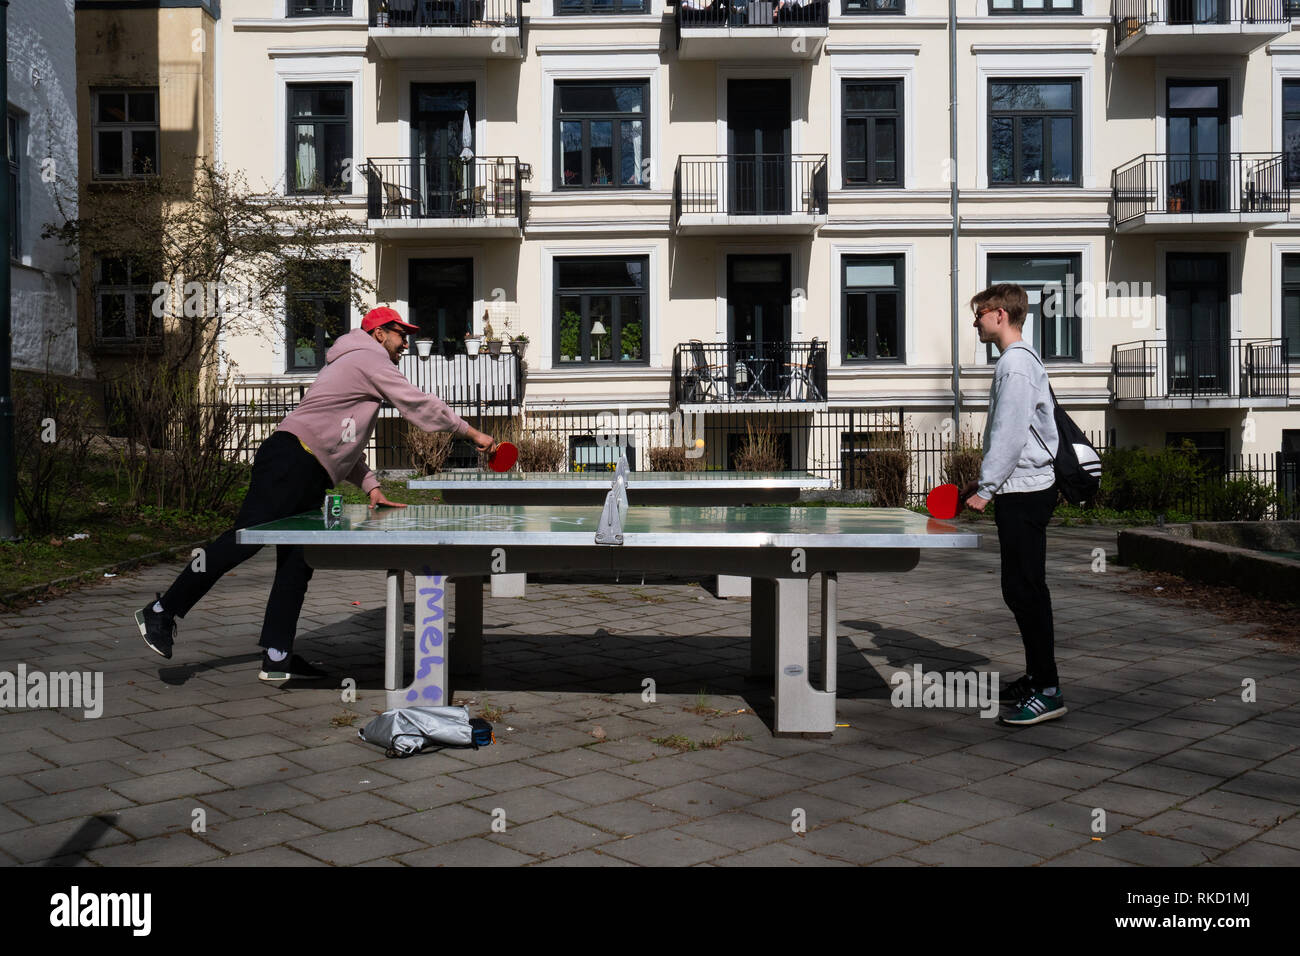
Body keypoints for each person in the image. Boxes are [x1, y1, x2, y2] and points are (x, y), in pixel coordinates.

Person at [135, 306, 495, 682]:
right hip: (291, 461)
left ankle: (278, 655)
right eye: (400, 334)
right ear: (378, 334)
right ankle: (162, 610)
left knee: (298, 560)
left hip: (306, 464)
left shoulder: (355, 363)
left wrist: (371, 486)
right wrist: (470, 433)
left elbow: (339, 442)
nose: (406, 342)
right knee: (243, 540)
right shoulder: (368, 359)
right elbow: (418, 404)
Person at [961, 284, 1065, 727]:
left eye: (979, 314)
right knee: (1021, 588)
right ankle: (1037, 677)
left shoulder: (1015, 365)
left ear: (999, 314)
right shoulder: (1018, 362)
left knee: (1026, 589)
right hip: (1021, 486)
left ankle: (1048, 690)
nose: (975, 322)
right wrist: (986, 480)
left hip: (1024, 491)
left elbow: (1010, 434)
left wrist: (985, 489)